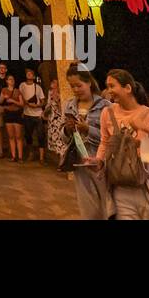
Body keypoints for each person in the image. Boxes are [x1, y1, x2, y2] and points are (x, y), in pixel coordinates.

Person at [86, 69, 149, 220]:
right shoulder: (107, 113)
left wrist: (147, 130)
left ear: (128, 88)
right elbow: (105, 143)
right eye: (107, 86)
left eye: (112, 86)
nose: (108, 91)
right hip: (120, 188)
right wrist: (98, 160)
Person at [62, 68, 112, 219]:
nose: (76, 90)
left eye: (79, 85)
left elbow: (110, 138)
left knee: (108, 205)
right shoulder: (70, 105)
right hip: (80, 163)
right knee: (87, 207)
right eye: (72, 86)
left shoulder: (105, 106)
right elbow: (64, 139)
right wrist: (67, 130)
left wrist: (87, 129)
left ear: (89, 83)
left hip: (101, 163)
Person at [18, 68, 46, 163]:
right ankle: (31, 153)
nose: (29, 75)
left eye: (31, 74)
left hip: (37, 114)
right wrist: (26, 104)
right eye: (27, 73)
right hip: (27, 114)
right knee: (28, 135)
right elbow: (20, 96)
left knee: (40, 136)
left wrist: (37, 105)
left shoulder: (38, 87)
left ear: (34, 77)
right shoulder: (22, 85)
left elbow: (43, 101)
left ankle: (42, 157)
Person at [0, 74, 24, 162]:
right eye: (9, 79)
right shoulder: (4, 90)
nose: (11, 80)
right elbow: (0, 101)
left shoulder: (18, 91)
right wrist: (4, 96)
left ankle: (20, 157)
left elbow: (22, 104)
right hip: (8, 114)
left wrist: (12, 100)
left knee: (18, 136)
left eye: (12, 79)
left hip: (17, 113)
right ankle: (14, 156)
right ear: (6, 81)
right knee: (11, 136)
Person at [44, 78, 67, 164]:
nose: (52, 83)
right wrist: (44, 113)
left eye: (54, 82)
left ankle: (62, 162)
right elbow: (48, 105)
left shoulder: (62, 93)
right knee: (54, 141)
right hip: (52, 120)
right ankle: (60, 161)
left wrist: (57, 100)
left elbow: (63, 108)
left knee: (61, 140)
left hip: (59, 119)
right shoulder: (50, 93)